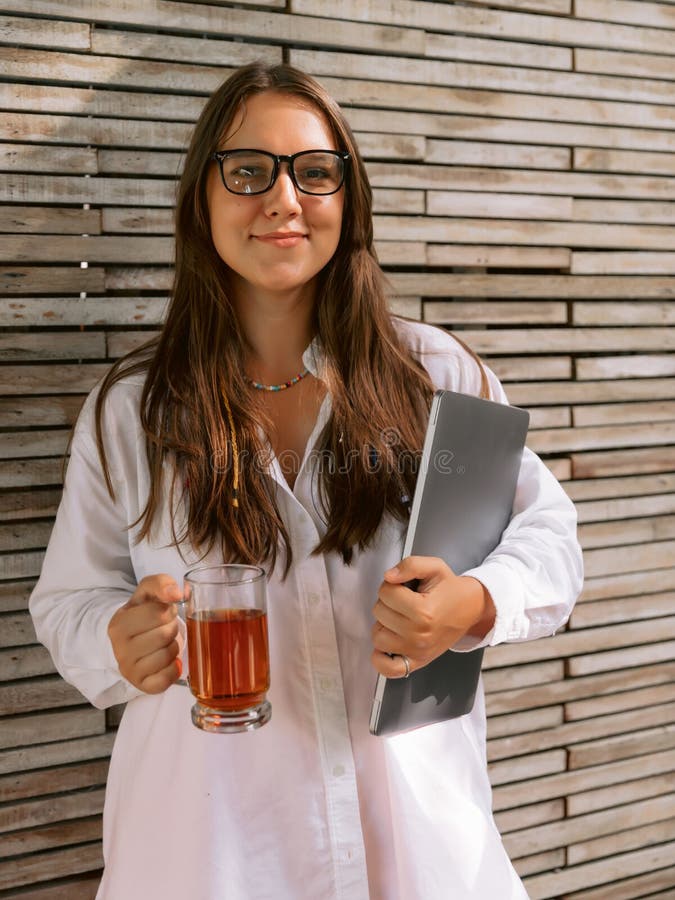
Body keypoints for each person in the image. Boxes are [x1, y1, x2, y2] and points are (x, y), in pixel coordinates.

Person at [30, 62, 583, 899]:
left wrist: (472, 603)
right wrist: (117, 638)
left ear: (348, 199)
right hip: (210, 858)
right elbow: (66, 601)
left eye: (315, 171)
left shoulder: (433, 375)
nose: (283, 200)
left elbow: (548, 539)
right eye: (248, 171)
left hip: (423, 854)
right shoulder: (134, 409)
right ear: (200, 197)